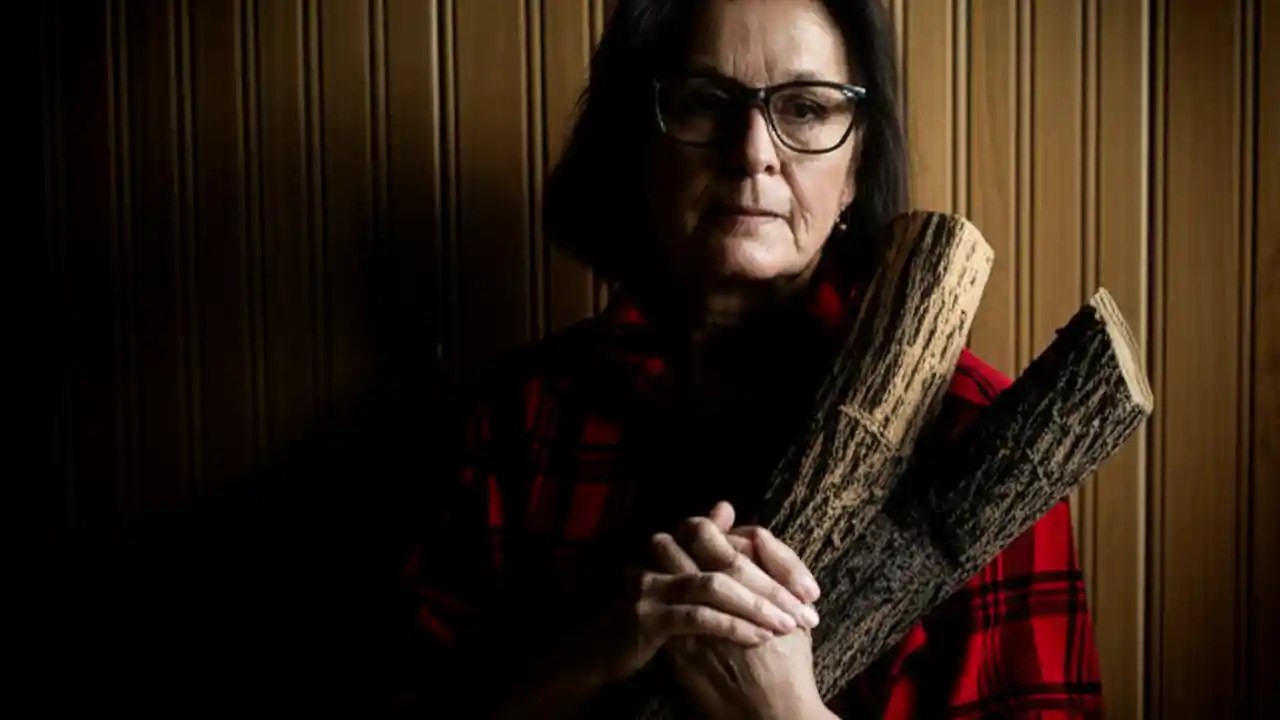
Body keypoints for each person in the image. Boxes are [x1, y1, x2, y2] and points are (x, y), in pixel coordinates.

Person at [392, 0, 1103, 717]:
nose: (753, 151)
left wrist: (788, 711)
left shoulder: (980, 440)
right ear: (638, 145)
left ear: (856, 167)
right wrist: (596, 651)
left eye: (804, 108)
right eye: (705, 102)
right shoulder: (522, 421)